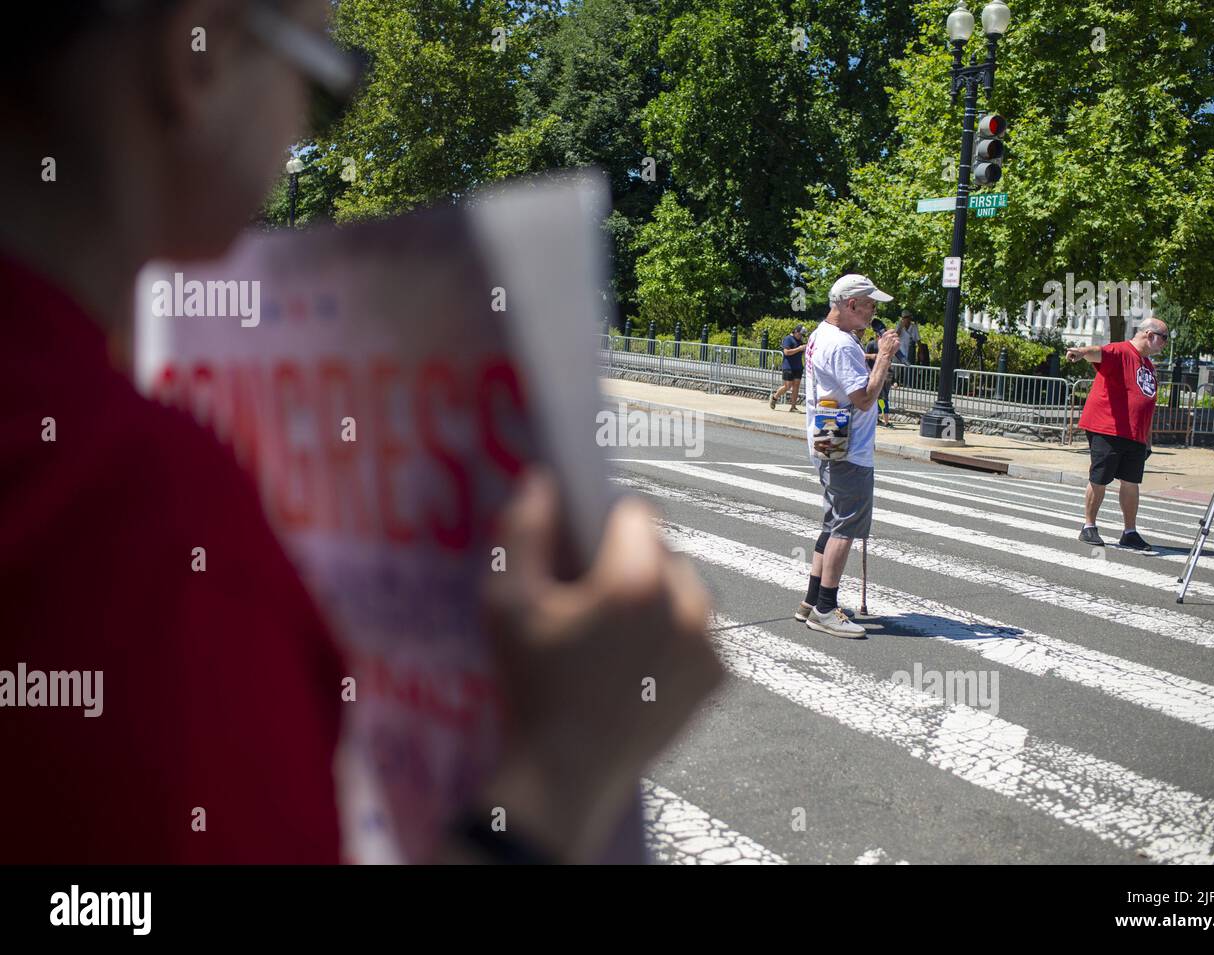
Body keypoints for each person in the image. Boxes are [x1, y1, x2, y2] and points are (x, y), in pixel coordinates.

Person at [0, 0, 720, 863]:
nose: (302, 125)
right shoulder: (143, 505)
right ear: (204, 50)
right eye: (320, 81)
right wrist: (562, 774)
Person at [796, 274, 899, 638]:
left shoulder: (820, 334)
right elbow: (866, 398)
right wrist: (883, 357)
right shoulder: (842, 345)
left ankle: (812, 599)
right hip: (848, 445)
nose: (874, 312)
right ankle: (825, 607)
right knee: (846, 525)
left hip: (827, 435)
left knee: (833, 520)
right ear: (851, 304)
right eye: (870, 304)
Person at [1065, 317, 1169, 552]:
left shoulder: (1148, 365)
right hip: (1108, 428)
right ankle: (1088, 526)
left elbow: (1146, 403)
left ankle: (1129, 532)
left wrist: (1147, 438)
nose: (1165, 343)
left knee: (1131, 483)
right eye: (1164, 338)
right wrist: (1081, 351)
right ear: (1149, 335)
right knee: (1100, 478)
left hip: (1135, 435)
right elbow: (1098, 352)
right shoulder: (1121, 350)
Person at [770, 324, 807, 412]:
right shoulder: (788, 339)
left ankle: (793, 407)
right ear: (796, 332)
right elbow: (786, 352)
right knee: (787, 386)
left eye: (802, 335)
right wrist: (799, 349)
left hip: (798, 366)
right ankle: (775, 397)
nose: (801, 336)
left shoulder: (800, 340)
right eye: (800, 334)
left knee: (796, 386)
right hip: (788, 366)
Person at [862, 323, 894, 427]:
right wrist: (873, 356)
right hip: (874, 374)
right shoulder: (872, 344)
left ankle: (883, 419)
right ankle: (884, 420)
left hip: (885, 376)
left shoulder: (887, 347)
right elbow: (864, 356)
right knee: (879, 398)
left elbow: (890, 362)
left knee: (882, 398)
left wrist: (894, 379)